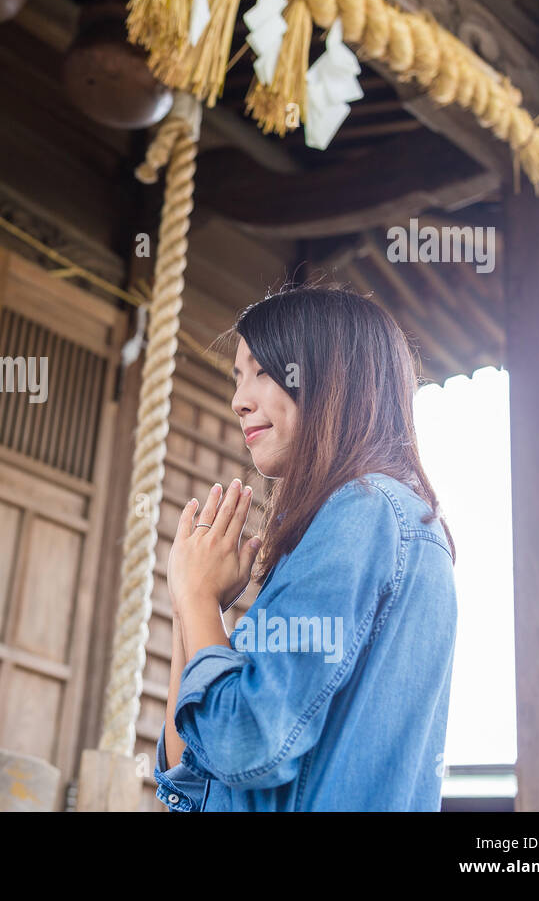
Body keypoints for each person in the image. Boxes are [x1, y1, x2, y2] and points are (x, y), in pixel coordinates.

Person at [155, 286, 457, 811]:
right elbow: (191, 773)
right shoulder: (364, 519)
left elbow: (245, 740)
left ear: (331, 375)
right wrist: (193, 604)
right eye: (237, 379)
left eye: (263, 372)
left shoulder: (364, 513)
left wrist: (200, 599)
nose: (239, 400)